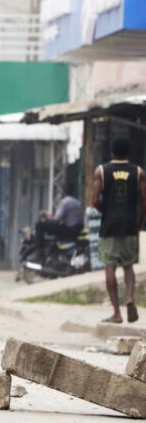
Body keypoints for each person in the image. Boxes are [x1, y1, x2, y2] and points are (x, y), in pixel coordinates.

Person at [91, 137, 146, 324]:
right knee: (128, 266)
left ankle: (116, 313)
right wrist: (139, 222)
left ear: (112, 151)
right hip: (130, 224)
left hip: (110, 225)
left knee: (109, 267)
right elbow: (145, 200)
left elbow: (94, 200)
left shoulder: (102, 171)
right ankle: (130, 297)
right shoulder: (138, 172)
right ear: (128, 151)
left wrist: (105, 211)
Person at [34, 183, 84, 261]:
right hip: (77, 229)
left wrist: (46, 216)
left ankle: (39, 253)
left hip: (69, 230)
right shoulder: (77, 202)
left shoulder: (65, 202)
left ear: (63, 192)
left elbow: (56, 219)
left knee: (39, 225)